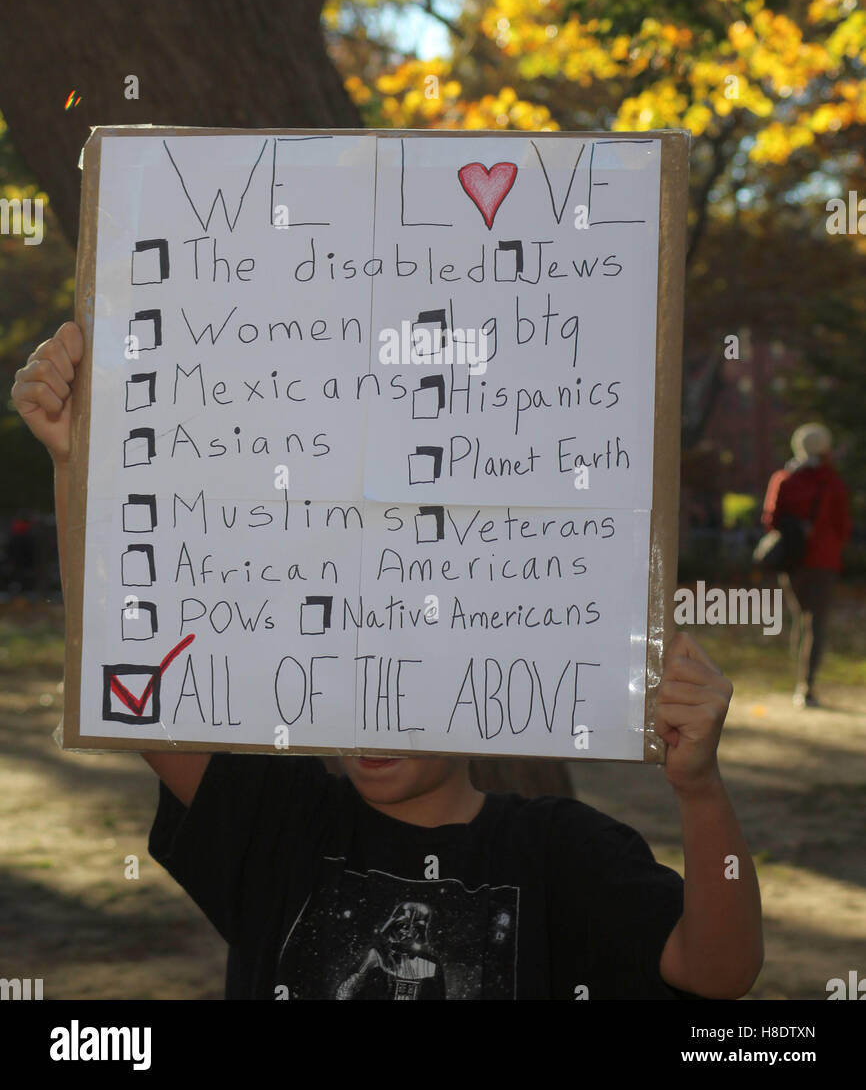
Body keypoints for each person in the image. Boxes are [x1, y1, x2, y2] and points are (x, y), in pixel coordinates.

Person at [13, 321, 764, 1001]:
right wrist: (81, 465)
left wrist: (700, 793)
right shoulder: (279, 822)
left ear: (474, 684)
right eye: (351, 675)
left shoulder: (561, 850)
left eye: (404, 683)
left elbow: (718, 971)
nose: (372, 715)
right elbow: (129, 674)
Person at [761, 423, 851, 708]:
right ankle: (807, 685)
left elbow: (770, 519)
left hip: (792, 561)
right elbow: (843, 526)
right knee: (816, 622)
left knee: (800, 618)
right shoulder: (832, 482)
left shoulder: (784, 479)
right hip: (823, 561)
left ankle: (798, 679)